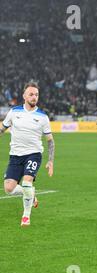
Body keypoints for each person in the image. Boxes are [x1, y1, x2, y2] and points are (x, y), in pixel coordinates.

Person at [0, 82, 55, 227]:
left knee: (26, 182)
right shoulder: (14, 112)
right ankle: (31, 193)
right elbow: (3, 128)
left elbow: (50, 141)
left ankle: (26, 216)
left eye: (36, 94)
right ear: (24, 96)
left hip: (33, 154)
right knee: (9, 189)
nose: (34, 97)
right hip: (15, 156)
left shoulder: (43, 117)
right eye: (31, 94)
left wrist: (50, 161)